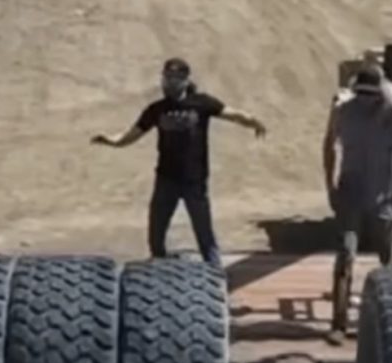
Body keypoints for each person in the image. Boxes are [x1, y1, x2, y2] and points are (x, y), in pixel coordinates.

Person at [92, 58, 266, 266]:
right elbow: (131, 135)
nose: (170, 83)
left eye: (175, 79)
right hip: (166, 179)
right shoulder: (156, 110)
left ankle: (215, 272)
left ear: (185, 80)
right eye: (167, 78)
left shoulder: (201, 103)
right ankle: (158, 267)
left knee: (204, 233)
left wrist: (253, 121)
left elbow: (233, 114)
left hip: (195, 180)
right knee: (156, 230)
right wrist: (111, 141)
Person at [323, 62, 392, 344]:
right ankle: (339, 324)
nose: (367, 100)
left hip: (385, 195)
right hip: (351, 193)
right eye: (362, 94)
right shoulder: (343, 110)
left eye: (372, 95)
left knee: (388, 263)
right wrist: (329, 185)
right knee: (345, 256)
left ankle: (389, 323)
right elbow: (329, 144)